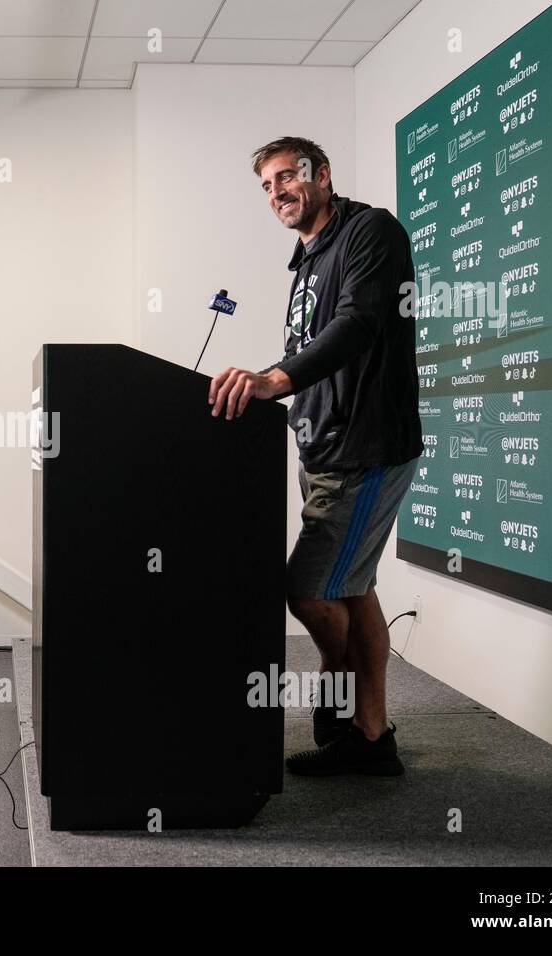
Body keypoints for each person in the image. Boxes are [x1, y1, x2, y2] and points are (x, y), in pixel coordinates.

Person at [207, 136, 421, 777]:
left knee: (307, 591)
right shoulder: (304, 263)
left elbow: (356, 326)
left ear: (321, 175)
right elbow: (319, 348)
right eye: (267, 187)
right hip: (324, 451)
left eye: (287, 178)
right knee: (353, 590)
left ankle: (343, 690)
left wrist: (274, 380)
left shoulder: (369, 232)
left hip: (366, 452)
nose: (277, 193)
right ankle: (371, 736)